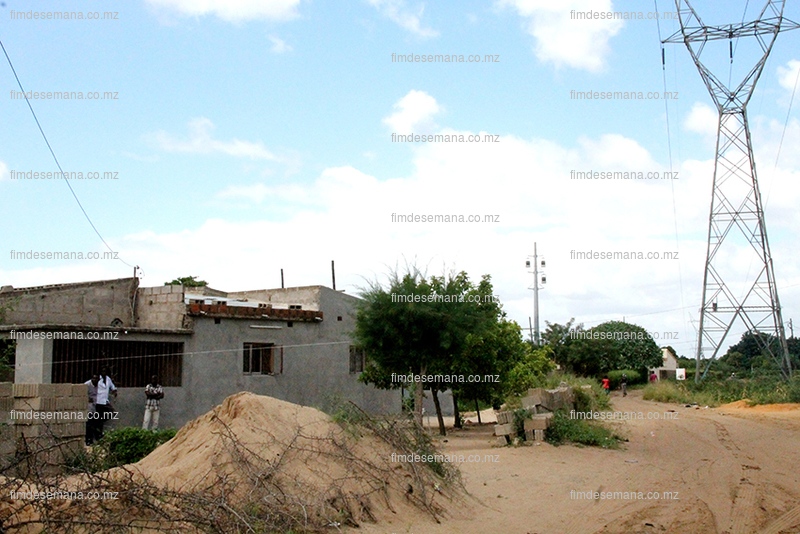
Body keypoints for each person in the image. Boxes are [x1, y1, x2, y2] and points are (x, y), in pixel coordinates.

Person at [95, 368, 117, 439]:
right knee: (98, 420)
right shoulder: (97, 379)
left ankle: (99, 428)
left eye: (105, 371)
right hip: (98, 401)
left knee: (111, 413)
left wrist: (114, 391)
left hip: (105, 401)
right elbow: (88, 384)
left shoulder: (108, 379)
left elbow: (112, 387)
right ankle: (98, 434)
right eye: (103, 371)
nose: (104, 373)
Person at [84, 374, 100, 445]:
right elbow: (82, 394)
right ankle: (88, 439)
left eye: (97, 379)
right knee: (89, 423)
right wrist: (87, 398)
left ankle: (97, 438)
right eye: (94, 378)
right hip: (89, 406)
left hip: (97, 405)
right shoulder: (87, 385)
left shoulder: (100, 385)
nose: (95, 380)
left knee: (97, 423)